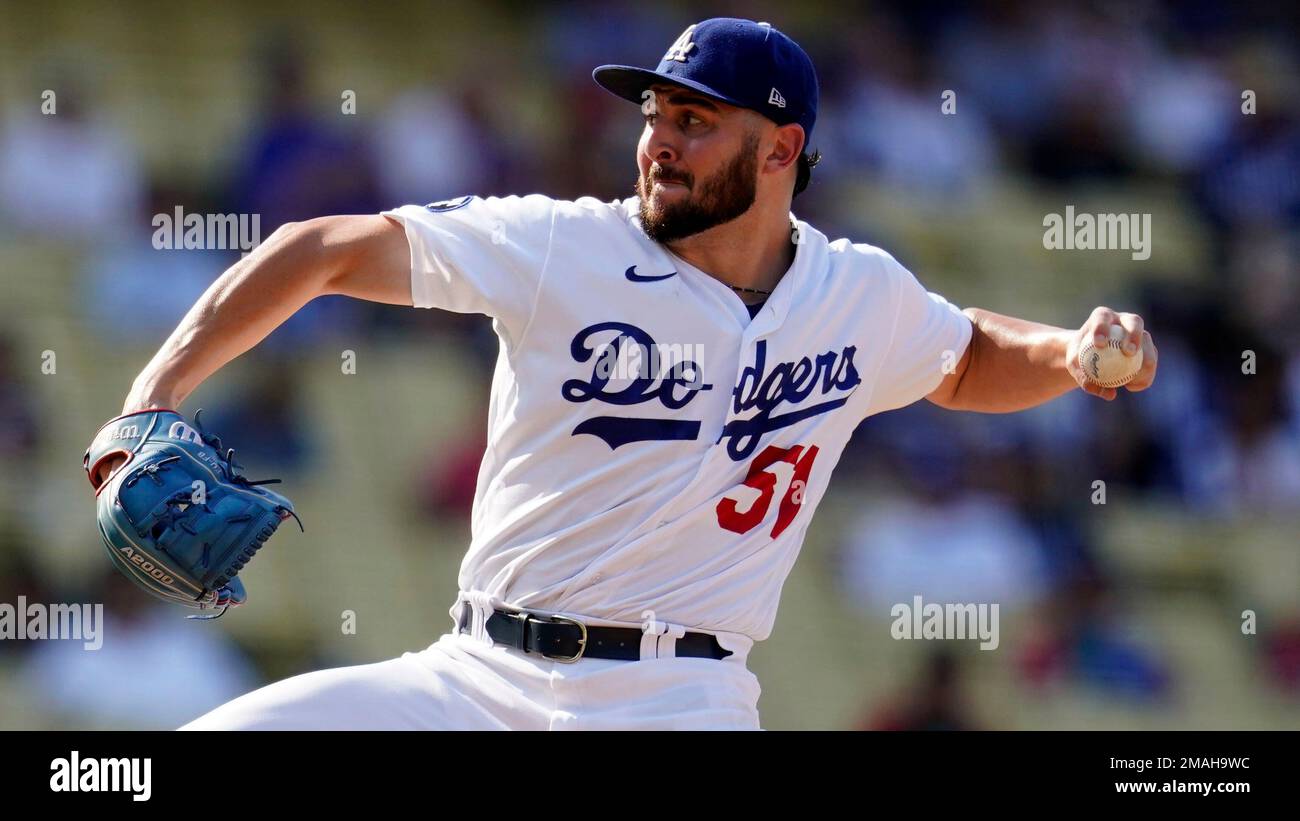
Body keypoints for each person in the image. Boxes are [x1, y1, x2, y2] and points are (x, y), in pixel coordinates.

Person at [92, 18, 1158, 730]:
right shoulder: (564, 245)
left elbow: (965, 357)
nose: (658, 142)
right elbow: (322, 251)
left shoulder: (855, 292)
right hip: (470, 680)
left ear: (780, 148)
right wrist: (153, 397)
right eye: (653, 116)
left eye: (694, 121)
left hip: (676, 697)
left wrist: (1066, 355)